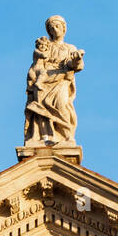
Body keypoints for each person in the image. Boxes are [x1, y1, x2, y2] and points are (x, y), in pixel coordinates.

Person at [24, 16, 84, 145]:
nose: (55, 30)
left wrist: (77, 59)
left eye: (57, 26)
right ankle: (45, 136)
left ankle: (66, 135)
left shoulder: (69, 48)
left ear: (63, 28)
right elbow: (37, 63)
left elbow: (76, 66)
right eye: (51, 28)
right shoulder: (46, 45)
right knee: (41, 107)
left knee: (61, 104)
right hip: (43, 79)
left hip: (61, 79)